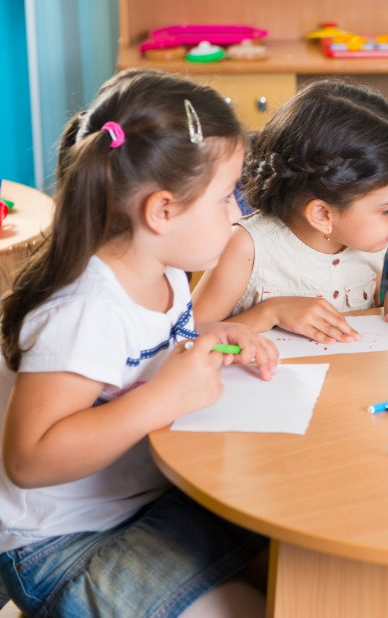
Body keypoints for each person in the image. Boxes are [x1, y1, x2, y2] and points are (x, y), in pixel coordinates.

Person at [0, 68, 278, 617]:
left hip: (142, 502)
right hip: (59, 546)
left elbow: (144, 358)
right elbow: (28, 460)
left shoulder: (165, 270)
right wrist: (164, 398)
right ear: (163, 210)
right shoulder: (85, 308)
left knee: (287, 540)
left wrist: (206, 339)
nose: (239, 212)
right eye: (227, 197)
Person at [192, 79, 388, 341]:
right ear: (323, 215)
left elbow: (355, 329)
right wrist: (270, 313)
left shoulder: (370, 242)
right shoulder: (246, 248)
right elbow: (185, 340)